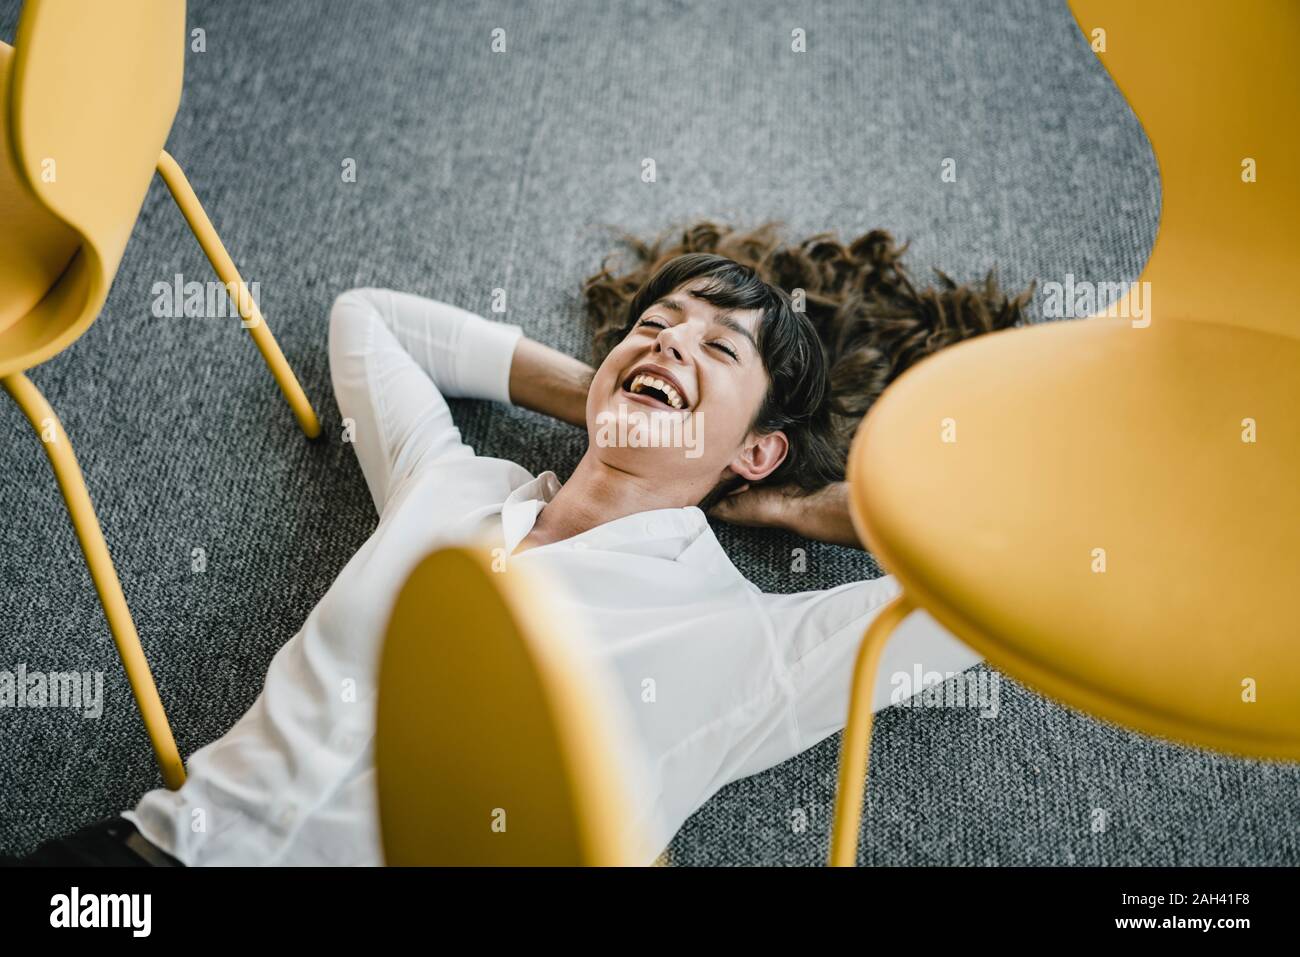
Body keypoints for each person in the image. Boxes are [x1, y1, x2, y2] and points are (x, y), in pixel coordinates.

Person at [15, 224, 1032, 866]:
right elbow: (369, 323)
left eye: (718, 348)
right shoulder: (450, 485)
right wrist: (607, 392)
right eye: (655, 322)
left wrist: (809, 509)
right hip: (146, 862)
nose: (669, 340)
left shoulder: (750, 645)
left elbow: (999, 584)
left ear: (758, 450)